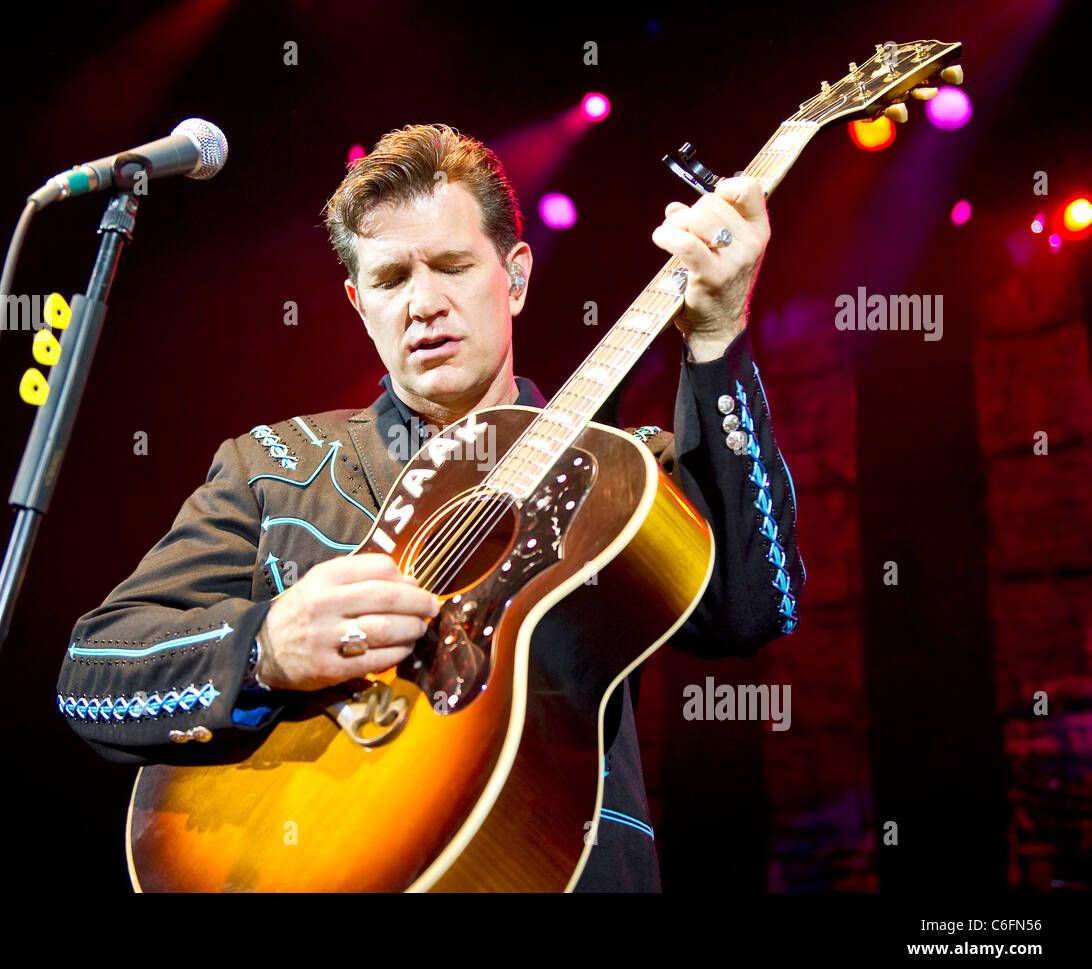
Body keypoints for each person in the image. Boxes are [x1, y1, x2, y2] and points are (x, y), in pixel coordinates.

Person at [56, 123, 803, 892]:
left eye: (451, 266)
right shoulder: (273, 469)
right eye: (389, 279)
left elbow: (756, 606)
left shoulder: (624, 473)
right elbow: (94, 672)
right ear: (357, 302)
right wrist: (263, 648)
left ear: (514, 277)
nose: (422, 304)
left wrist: (717, 339)